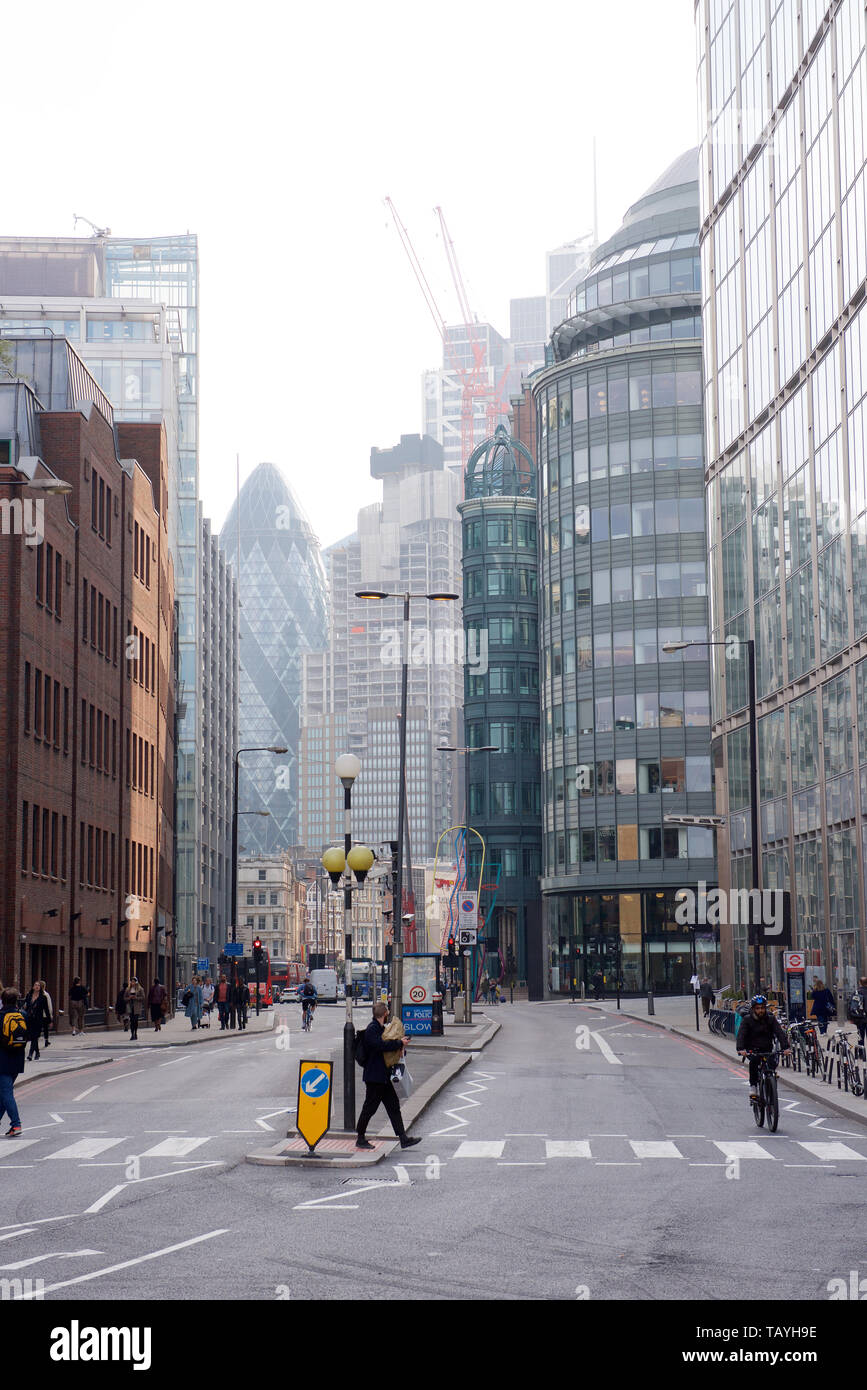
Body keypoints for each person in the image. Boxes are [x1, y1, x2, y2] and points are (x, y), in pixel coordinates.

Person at [355, 1001, 422, 1151]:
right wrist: (398, 1043)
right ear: (384, 1014)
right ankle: (360, 1138)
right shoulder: (372, 1029)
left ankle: (403, 1139)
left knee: (393, 1107)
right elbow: (381, 1046)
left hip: (383, 1077)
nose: (388, 1016)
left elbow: (386, 1047)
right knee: (369, 1108)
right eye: (387, 1013)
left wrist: (400, 1045)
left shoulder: (380, 1028)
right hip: (374, 1077)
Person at [736, 995, 791, 1104]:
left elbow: (779, 1033)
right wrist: (741, 1048)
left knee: (772, 1063)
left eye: (762, 1008)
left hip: (767, 1048)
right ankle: (753, 1087)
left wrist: (785, 1047)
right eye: (757, 1008)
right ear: (753, 1009)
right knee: (754, 1063)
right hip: (753, 1049)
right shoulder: (747, 1020)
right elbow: (741, 1034)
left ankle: (770, 1083)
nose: (760, 1010)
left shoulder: (770, 1019)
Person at [0, 987, 27, 1136]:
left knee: (6, 1093)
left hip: (2, 1060)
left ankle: (16, 1124)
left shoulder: (1, 1016)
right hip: (17, 1061)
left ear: (2, 1000)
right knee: (3, 1094)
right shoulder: (22, 1015)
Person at [24, 981, 49, 1061]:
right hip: (30, 1019)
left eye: (38, 985)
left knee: (35, 1036)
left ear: (40, 988)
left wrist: (49, 1020)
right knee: (33, 1037)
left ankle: (30, 1054)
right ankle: (37, 1052)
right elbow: (26, 1006)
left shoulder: (43, 997)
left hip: (38, 1020)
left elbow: (46, 1009)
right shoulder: (29, 996)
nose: (37, 986)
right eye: (35, 985)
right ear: (33, 987)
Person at [125, 977, 145, 1042]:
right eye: (131, 981)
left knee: (135, 1021)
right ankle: (132, 1034)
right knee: (131, 1021)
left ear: (136, 982)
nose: (132, 983)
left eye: (134, 981)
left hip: (137, 1007)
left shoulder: (140, 989)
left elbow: (143, 997)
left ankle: (135, 1033)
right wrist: (129, 998)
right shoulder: (128, 989)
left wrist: (136, 998)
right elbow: (124, 998)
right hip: (130, 1007)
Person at [40, 981, 54, 1047]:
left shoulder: (35, 994)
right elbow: (49, 1005)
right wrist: (50, 1015)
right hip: (45, 1014)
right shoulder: (46, 994)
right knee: (45, 1028)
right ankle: (46, 1040)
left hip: (37, 1014)